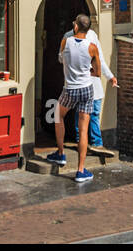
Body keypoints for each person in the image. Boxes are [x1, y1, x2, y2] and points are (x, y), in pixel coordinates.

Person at [45, 14, 100, 183]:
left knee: (58, 115)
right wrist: (86, 72)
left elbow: (61, 59)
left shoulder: (66, 42)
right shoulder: (92, 47)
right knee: (83, 129)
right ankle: (81, 170)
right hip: (86, 89)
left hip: (70, 89)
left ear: (76, 27)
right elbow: (97, 73)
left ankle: (61, 154)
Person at [62, 20, 117, 151]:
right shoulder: (68, 38)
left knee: (94, 112)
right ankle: (82, 142)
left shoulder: (92, 36)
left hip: (92, 84)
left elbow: (100, 60)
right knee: (80, 114)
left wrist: (110, 76)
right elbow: (62, 59)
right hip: (77, 84)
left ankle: (96, 143)